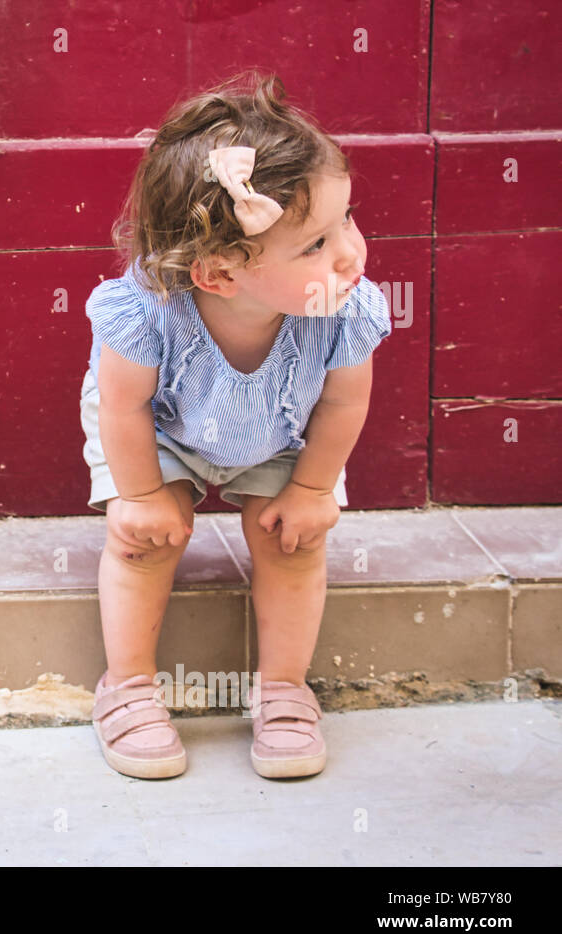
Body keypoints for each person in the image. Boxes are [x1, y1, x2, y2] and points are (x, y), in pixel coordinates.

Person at [80, 71, 392, 780]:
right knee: (145, 540)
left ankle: (284, 689)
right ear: (219, 275)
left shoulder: (345, 306)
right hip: (158, 429)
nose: (349, 253)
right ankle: (127, 686)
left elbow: (343, 405)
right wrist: (141, 495)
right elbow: (123, 407)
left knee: (293, 539)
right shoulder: (146, 311)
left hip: (282, 433)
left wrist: (311, 490)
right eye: (315, 245)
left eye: (347, 219)